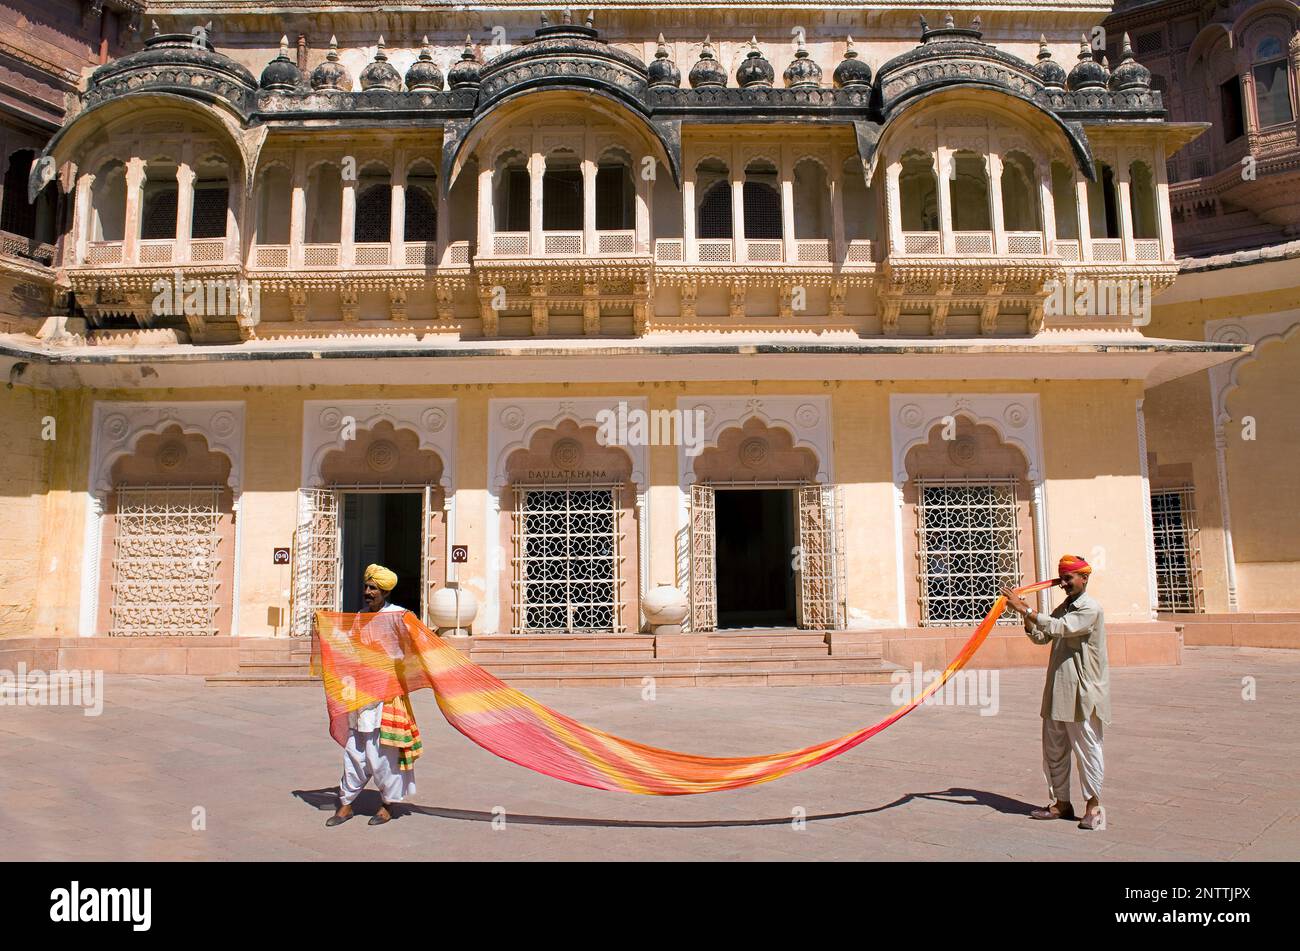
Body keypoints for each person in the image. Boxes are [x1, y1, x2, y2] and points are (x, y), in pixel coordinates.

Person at [1001, 554, 1109, 831]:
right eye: (1062, 578)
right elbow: (1043, 636)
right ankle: (1061, 803)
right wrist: (1024, 617)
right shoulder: (1065, 606)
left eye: (1069, 578)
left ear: (1084, 578)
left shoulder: (1090, 608)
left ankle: (1094, 807)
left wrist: (1027, 610)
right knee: (1054, 751)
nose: (1064, 583)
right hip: (1057, 691)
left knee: (1087, 750)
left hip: (1082, 693)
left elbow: (1062, 628)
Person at [327, 563, 422, 827]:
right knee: (355, 750)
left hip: (387, 694)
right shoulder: (359, 616)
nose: (367, 592)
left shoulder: (399, 616)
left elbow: (414, 646)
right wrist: (327, 629)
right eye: (366, 587)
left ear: (385, 592)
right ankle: (346, 803)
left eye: (373, 588)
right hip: (361, 693)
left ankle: (387, 804)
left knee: (383, 753)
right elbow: (350, 645)